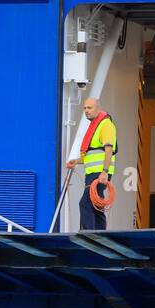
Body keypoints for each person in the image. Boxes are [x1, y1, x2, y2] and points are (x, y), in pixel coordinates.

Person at [66, 98, 117, 231]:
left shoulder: (105, 125)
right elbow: (93, 153)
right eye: (85, 108)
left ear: (98, 108)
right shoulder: (95, 125)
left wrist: (104, 172)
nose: (86, 111)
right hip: (93, 173)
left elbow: (108, 150)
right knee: (96, 205)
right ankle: (100, 234)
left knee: (85, 203)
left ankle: (88, 234)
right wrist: (77, 161)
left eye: (90, 108)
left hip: (99, 173)